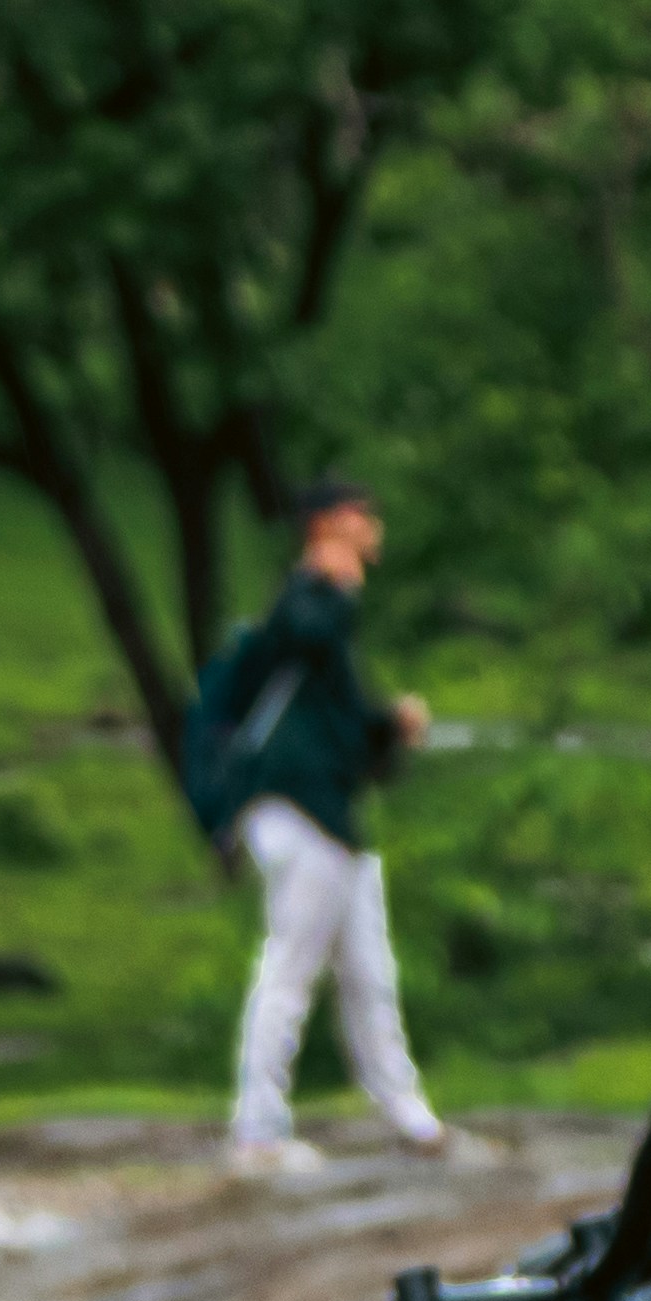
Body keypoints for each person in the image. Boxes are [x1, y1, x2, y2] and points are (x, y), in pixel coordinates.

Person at [184, 478, 459, 1174]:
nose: (374, 528)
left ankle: (409, 1114)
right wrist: (327, 578)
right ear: (329, 524)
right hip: (294, 811)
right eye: (363, 516)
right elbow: (300, 630)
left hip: (330, 815)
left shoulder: (328, 617)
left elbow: (336, 720)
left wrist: (387, 725)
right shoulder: (309, 598)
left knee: (370, 970)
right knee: (289, 967)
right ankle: (258, 1130)